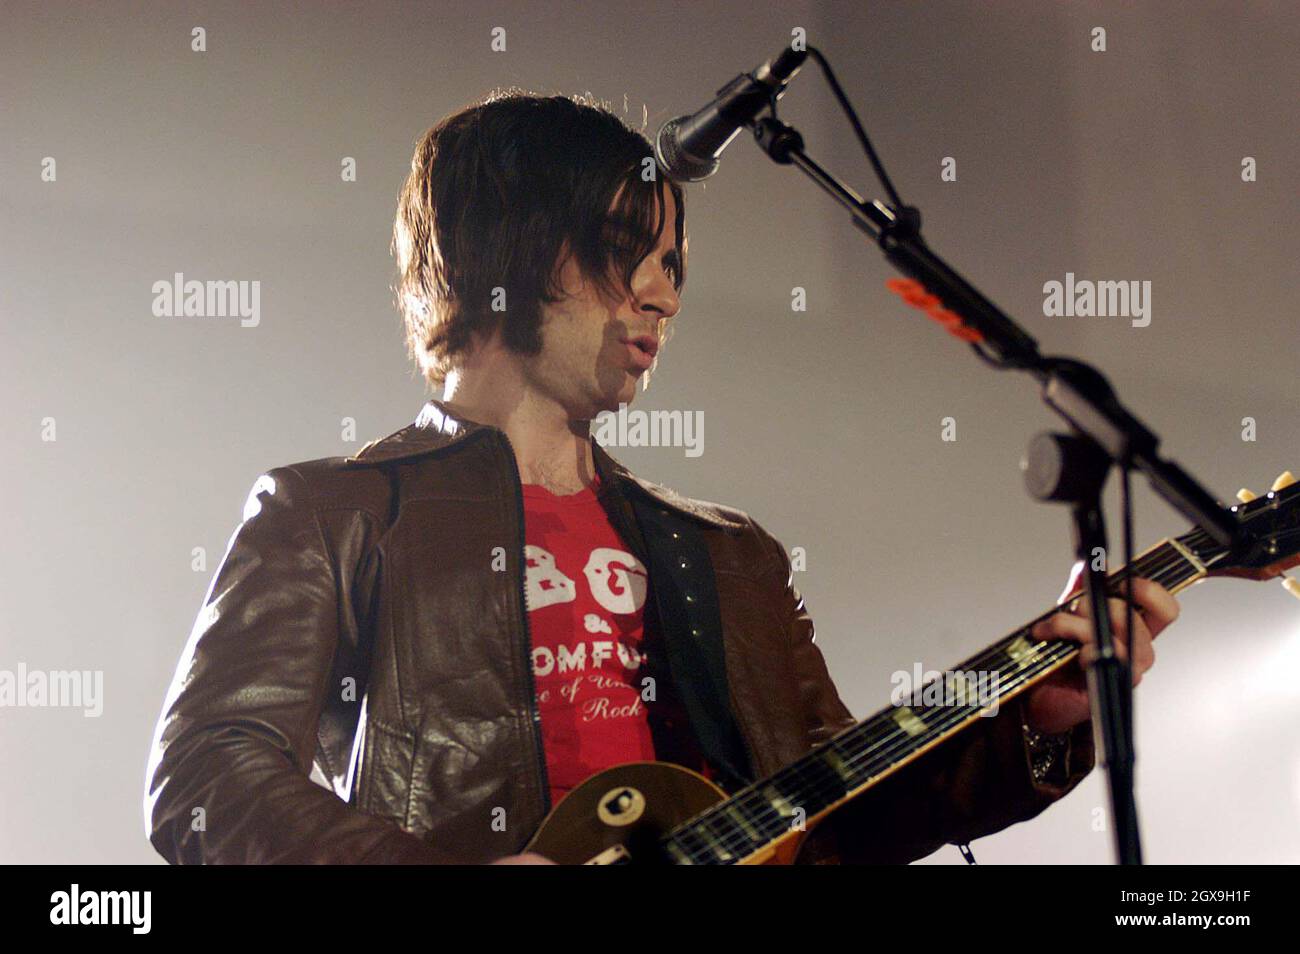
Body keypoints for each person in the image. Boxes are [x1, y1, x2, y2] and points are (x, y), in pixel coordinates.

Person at [144, 91, 1179, 865]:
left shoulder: (727, 552)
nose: (662, 297)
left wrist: (1033, 722)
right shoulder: (337, 513)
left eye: (671, 264)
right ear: (503, 249)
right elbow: (206, 773)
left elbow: (840, 814)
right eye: (622, 252)